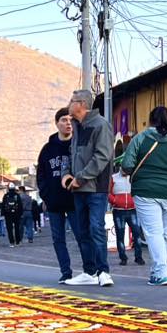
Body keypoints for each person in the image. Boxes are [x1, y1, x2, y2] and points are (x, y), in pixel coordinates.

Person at [119, 105, 167, 288]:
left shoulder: (140, 138)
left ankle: (162, 271)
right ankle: (157, 271)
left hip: (146, 191)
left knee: (153, 232)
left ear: (151, 120)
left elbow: (128, 163)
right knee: (164, 233)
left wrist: (128, 169)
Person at [62, 89, 115, 287]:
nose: (69, 103)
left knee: (96, 228)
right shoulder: (77, 125)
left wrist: (80, 178)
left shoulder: (101, 125)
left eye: (72, 100)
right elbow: (72, 153)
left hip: (95, 188)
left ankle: (103, 271)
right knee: (82, 231)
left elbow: (102, 157)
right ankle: (89, 271)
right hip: (78, 188)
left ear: (82, 104)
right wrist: (67, 173)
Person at [38, 107, 88, 281]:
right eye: (64, 120)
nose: (68, 123)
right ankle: (65, 272)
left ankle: (89, 271)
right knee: (58, 239)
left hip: (75, 201)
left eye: (70, 120)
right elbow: (41, 176)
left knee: (82, 237)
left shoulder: (78, 146)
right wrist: (46, 196)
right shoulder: (47, 149)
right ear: (56, 123)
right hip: (54, 203)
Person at [107, 169, 143, 267]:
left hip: (133, 210)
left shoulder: (134, 177)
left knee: (137, 234)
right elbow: (108, 191)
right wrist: (114, 201)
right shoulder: (113, 178)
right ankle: (123, 258)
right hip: (119, 210)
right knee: (120, 235)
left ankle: (138, 257)